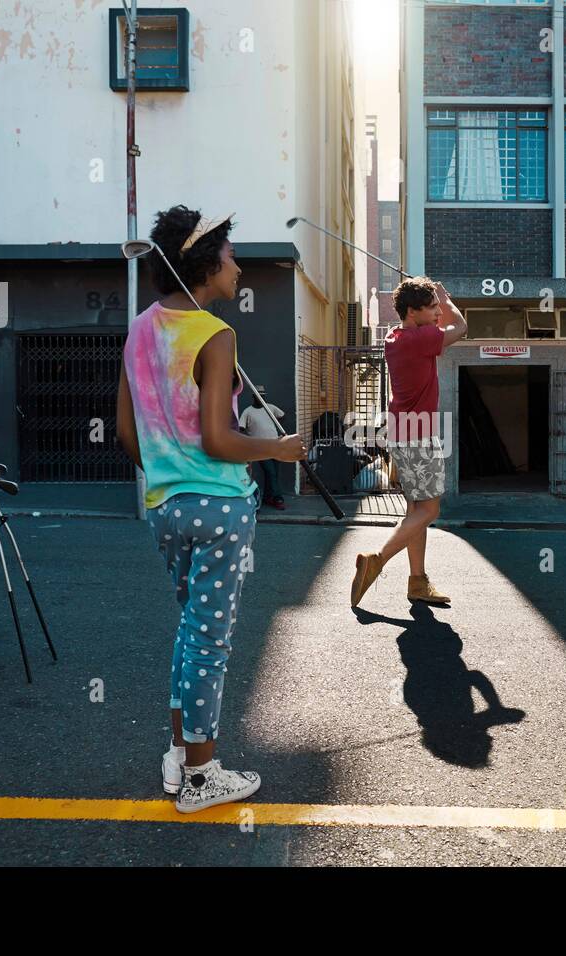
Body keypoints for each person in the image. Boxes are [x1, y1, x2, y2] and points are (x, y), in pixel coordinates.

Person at [116, 205, 308, 813]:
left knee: (190, 632)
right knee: (211, 641)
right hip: (220, 506)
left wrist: (170, 471)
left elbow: (128, 432)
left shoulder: (141, 329)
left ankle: (181, 753)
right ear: (203, 263)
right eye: (229, 255)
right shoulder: (215, 334)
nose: (239, 265)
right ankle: (201, 774)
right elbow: (220, 442)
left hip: (166, 507)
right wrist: (278, 447)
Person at [350, 277, 467, 607]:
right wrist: (445, 298)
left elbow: (442, 327)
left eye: (436, 307)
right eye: (430, 309)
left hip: (401, 432)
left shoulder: (395, 336)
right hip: (419, 433)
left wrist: (435, 304)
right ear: (413, 312)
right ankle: (377, 559)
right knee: (430, 508)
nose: (437, 314)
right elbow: (461, 326)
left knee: (416, 508)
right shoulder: (421, 338)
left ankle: (417, 581)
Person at [239, 389, 288, 510]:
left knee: (273, 473)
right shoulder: (248, 412)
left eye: (263, 396)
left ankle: (267, 497)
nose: (262, 398)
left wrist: (276, 428)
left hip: (275, 445)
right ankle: (278, 498)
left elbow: (282, 415)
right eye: (259, 396)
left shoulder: (270, 408)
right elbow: (241, 428)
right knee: (270, 472)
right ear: (254, 397)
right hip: (260, 448)